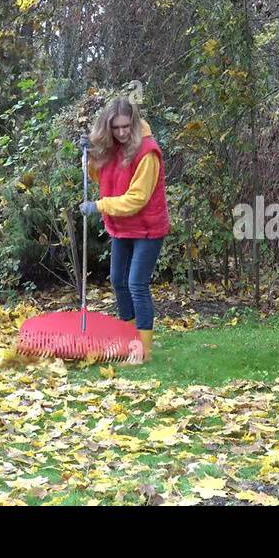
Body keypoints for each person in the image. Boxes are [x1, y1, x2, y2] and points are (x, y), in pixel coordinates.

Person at [80, 97, 170, 363]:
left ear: (133, 124)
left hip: (148, 228)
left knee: (136, 284)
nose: (121, 132)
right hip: (122, 227)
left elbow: (137, 198)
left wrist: (99, 205)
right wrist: (88, 157)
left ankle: (141, 351)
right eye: (116, 128)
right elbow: (101, 176)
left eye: (126, 127)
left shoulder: (148, 152)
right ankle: (128, 339)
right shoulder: (112, 147)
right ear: (108, 127)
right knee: (118, 280)